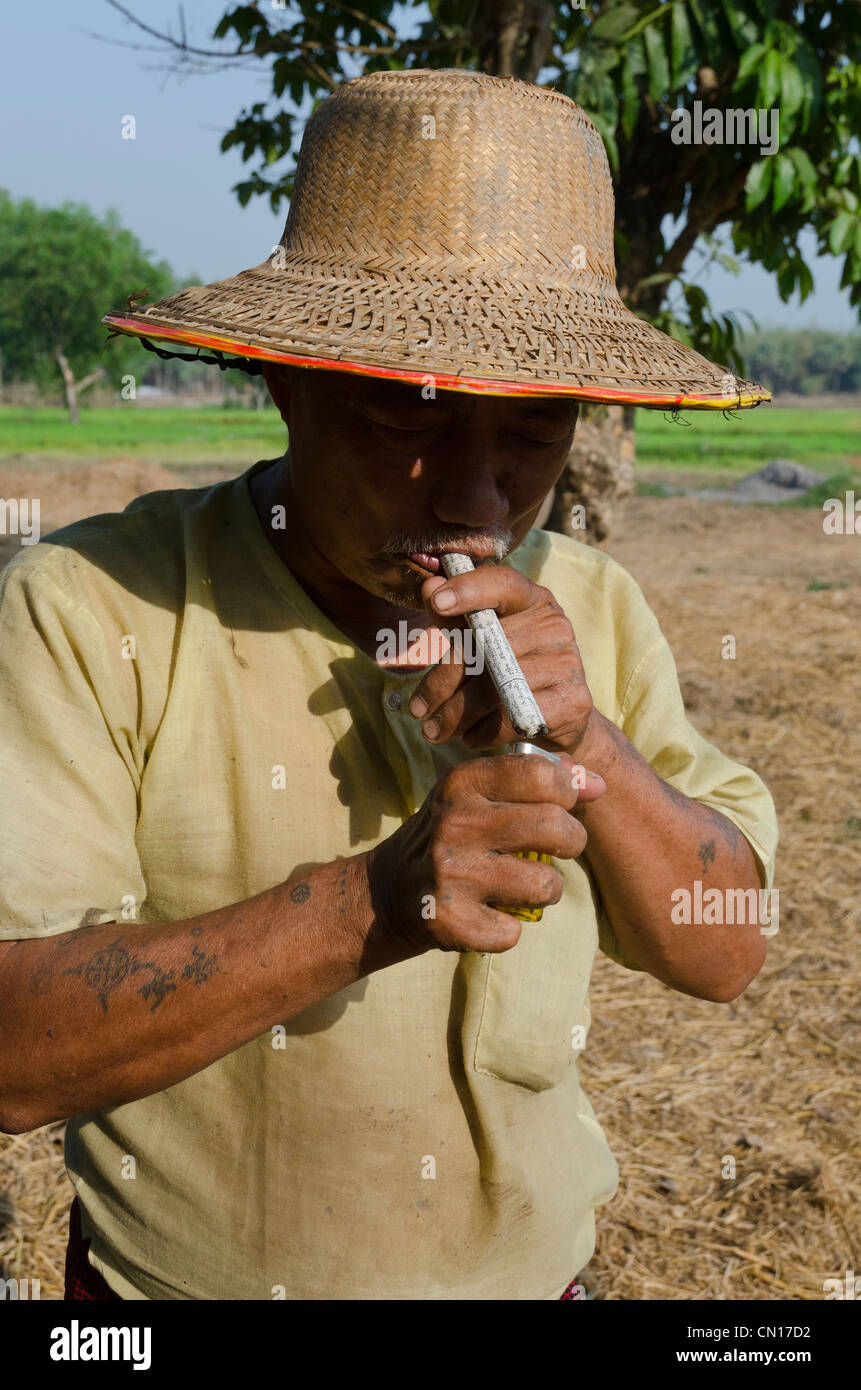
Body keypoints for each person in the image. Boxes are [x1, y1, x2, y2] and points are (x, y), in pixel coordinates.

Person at [0, 69, 777, 1301]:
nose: (476, 503)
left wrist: (592, 750)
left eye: (532, 431)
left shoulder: (591, 608)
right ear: (282, 379)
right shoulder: (97, 607)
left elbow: (728, 951)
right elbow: (12, 1052)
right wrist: (377, 901)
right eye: (407, 417)